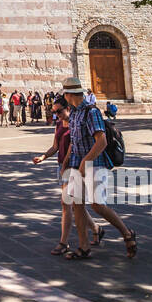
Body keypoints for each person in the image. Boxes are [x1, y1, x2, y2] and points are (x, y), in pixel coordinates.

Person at [61, 77, 136, 260]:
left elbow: (101, 141)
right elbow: (74, 140)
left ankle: (127, 233)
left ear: (69, 94)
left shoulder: (91, 112)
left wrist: (85, 162)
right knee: (77, 204)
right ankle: (84, 247)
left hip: (95, 164)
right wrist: (67, 161)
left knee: (97, 205)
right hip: (78, 164)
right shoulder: (74, 113)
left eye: (64, 93)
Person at [33, 95, 73, 254]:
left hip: (72, 167)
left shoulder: (75, 124)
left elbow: (74, 147)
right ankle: (96, 229)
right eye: (54, 111)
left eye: (59, 111)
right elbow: (55, 146)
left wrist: (65, 165)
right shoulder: (58, 124)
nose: (56, 114)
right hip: (61, 166)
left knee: (66, 204)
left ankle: (64, 242)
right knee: (76, 206)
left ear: (68, 108)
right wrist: (43, 157)